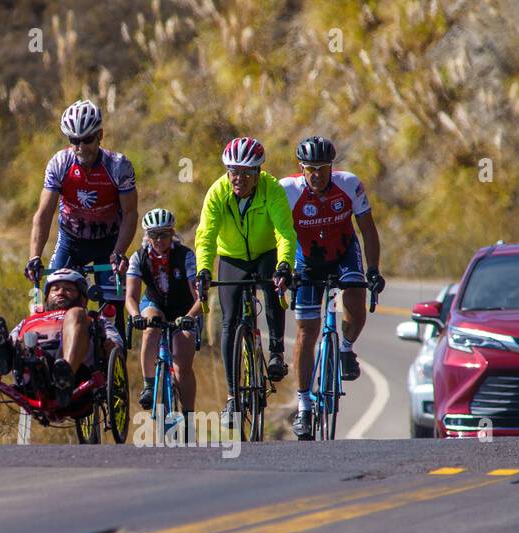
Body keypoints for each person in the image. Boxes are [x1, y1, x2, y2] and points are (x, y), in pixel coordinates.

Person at [279, 135, 385, 440]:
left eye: (322, 168)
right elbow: (277, 232)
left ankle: (345, 349)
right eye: (310, 168)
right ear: (301, 168)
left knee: (356, 298)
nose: (316, 174)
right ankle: (303, 407)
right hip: (307, 259)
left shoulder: (349, 184)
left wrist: (374, 270)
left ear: (331, 167)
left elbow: (367, 229)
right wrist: (282, 268)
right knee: (305, 332)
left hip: (343, 252)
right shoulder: (287, 190)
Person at [193, 136, 297, 423]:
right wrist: (203, 270)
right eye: (233, 172)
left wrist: (284, 265)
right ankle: (231, 398)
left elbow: (285, 233)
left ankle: (276, 352)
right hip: (232, 257)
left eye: (246, 173)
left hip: (265, 252)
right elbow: (205, 237)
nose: (238, 178)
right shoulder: (217, 192)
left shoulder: (272, 189)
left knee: (274, 287)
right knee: (229, 322)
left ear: (258, 173)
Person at [26, 99, 138, 336]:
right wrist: (34, 257)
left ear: (100, 135)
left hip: (108, 244)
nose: (81, 147)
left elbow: (130, 213)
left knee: (112, 313)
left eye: (87, 139)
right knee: (56, 301)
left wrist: (119, 253)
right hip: (72, 243)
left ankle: (112, 364)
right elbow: (43, 214)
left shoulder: (118, 166)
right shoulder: (60, 164)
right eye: (74, 140)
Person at [0, 268, 120, 408]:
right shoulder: (30, 320)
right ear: (47, 295)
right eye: (55, 289)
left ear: (83, 298)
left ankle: (64, 376)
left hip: (76, 376)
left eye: (68, 289)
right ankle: (4, 360)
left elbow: (116, 342)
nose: (61, 292)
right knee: (13, 337)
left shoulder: (91, 318)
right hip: (30, 372)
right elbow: (11, 341)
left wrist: (112, 345)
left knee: (76, 314)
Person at [124, 208, 203, 415]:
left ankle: (188, 415)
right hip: (154, 303)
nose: (159, 240)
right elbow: (131, 297)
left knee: (181, 368)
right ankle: (149, 385)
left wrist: (190, 317)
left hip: (183, 308)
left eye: (164, 234)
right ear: (146, 236)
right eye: (153, 234)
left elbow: (200, 299)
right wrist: (135, 316)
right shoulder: (138, 257)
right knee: (152, 325)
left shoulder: (185, 256)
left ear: (172, 233)